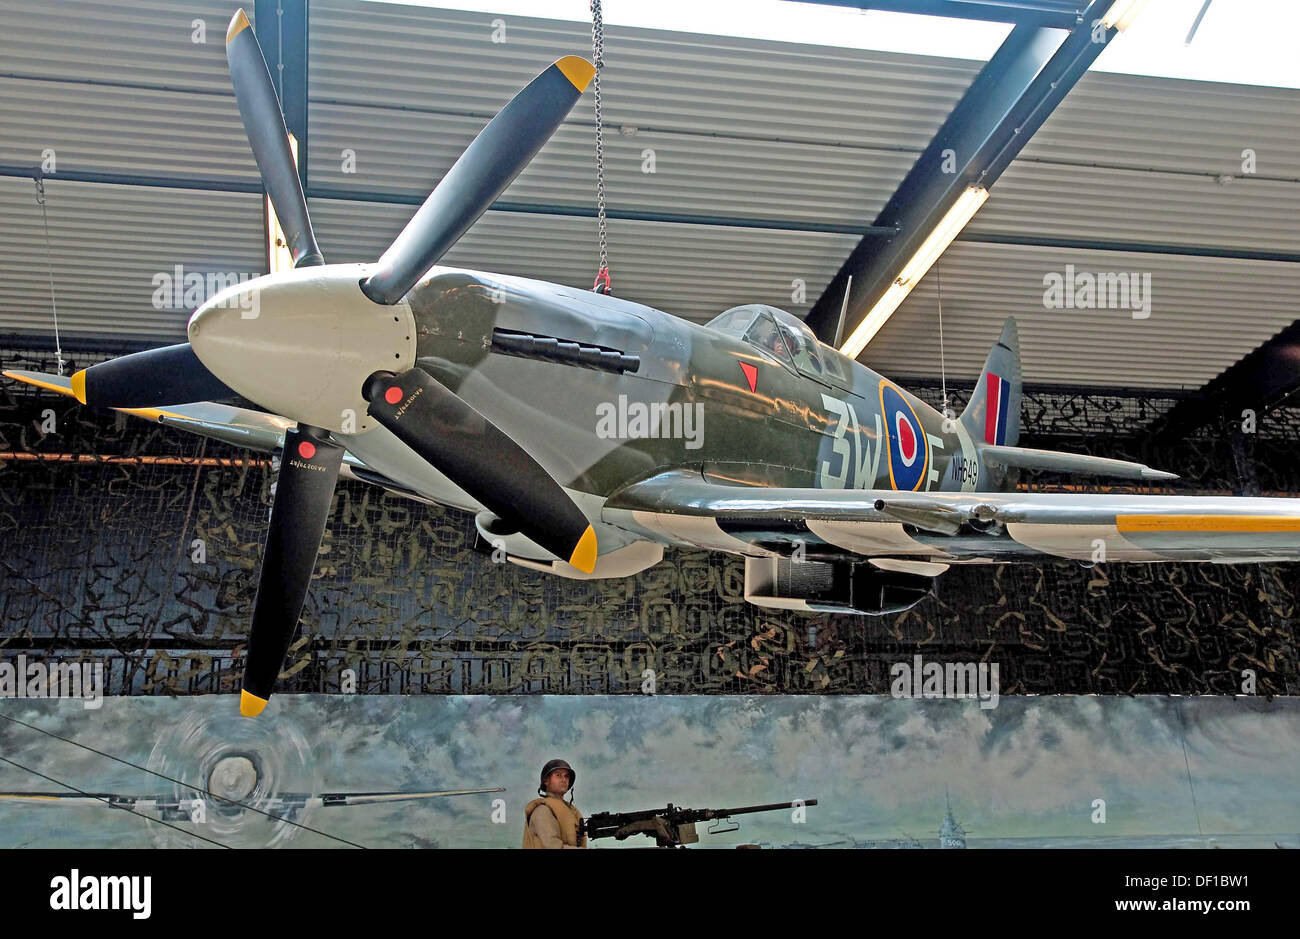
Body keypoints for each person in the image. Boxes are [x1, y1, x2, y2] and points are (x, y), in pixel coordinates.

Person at [522, 759, 587, 849]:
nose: (563, 779)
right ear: (546, 780)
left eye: (566, 776)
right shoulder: (542, 810)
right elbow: (553, 846)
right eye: (558, 775)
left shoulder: (571, 812)